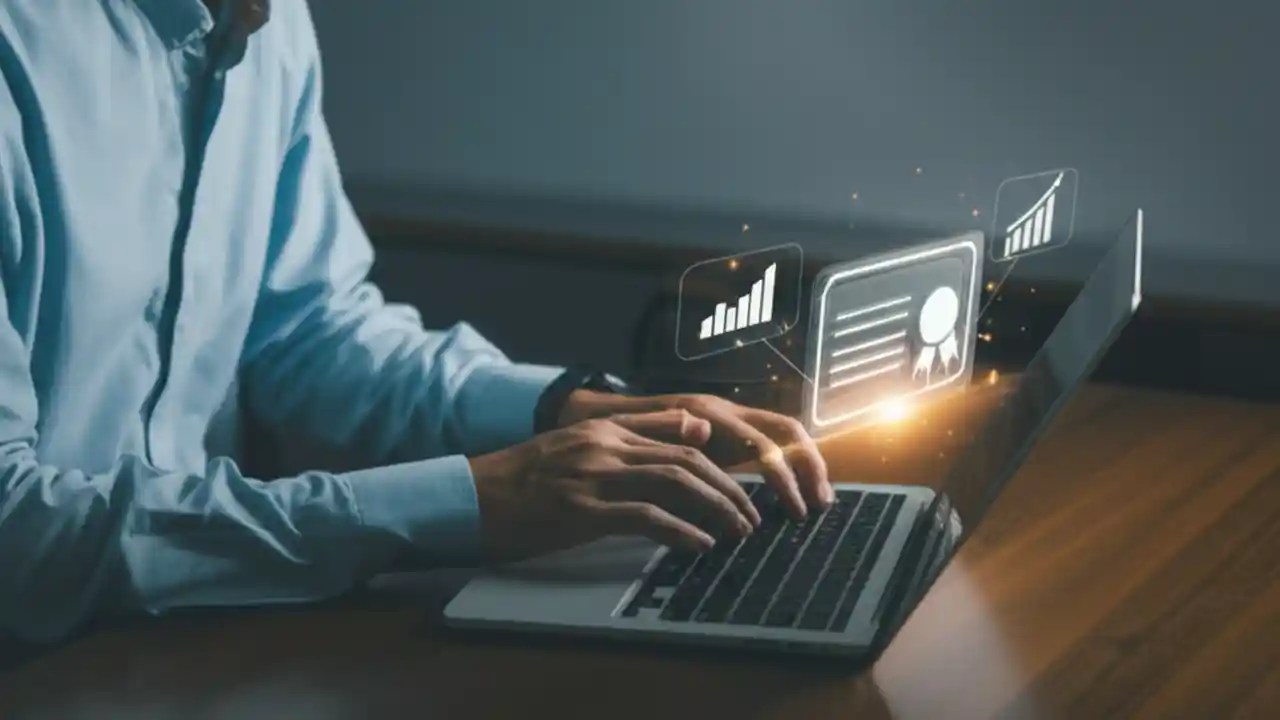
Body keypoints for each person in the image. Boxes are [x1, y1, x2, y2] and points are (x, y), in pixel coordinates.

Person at [0, 0, 829, 644]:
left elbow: (305, 331)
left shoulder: (269, 26)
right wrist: (466, 504)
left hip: (184, 645)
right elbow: (15, 534)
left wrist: (563, 410)